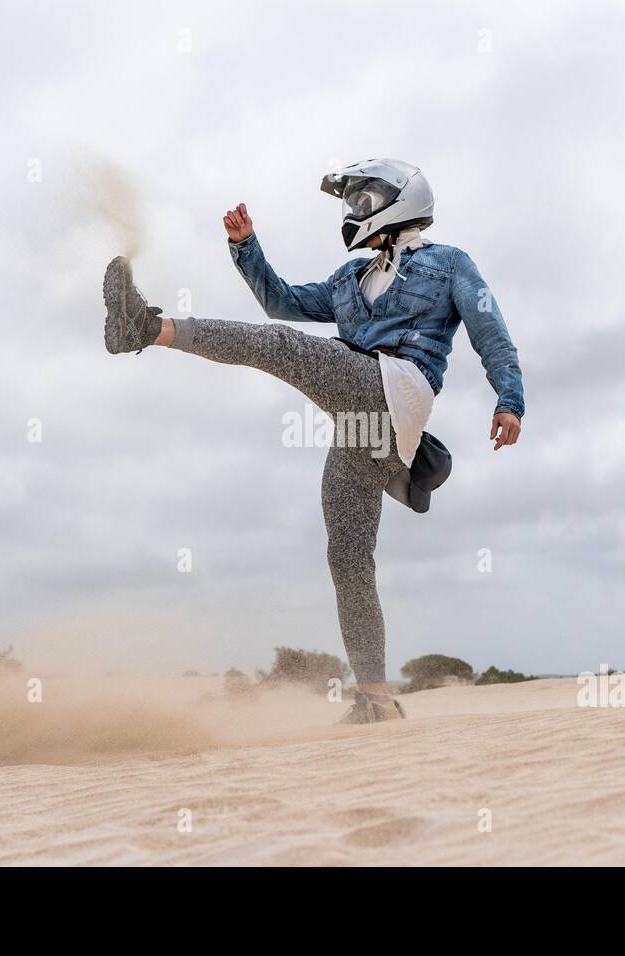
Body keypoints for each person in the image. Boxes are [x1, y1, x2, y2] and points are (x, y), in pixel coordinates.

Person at [104, 159, 524, 723]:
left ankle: (147, 328)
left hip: (397, 389)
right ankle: (376, 699)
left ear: (403, 202)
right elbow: (281, 302)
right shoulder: (348, 281)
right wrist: (247, 247)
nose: (356, 212)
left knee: (282, 349)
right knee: (348, 560)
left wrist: (509, 399)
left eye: (366, 201)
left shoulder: (448, 264)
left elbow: (489, 329)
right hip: (362, 427)